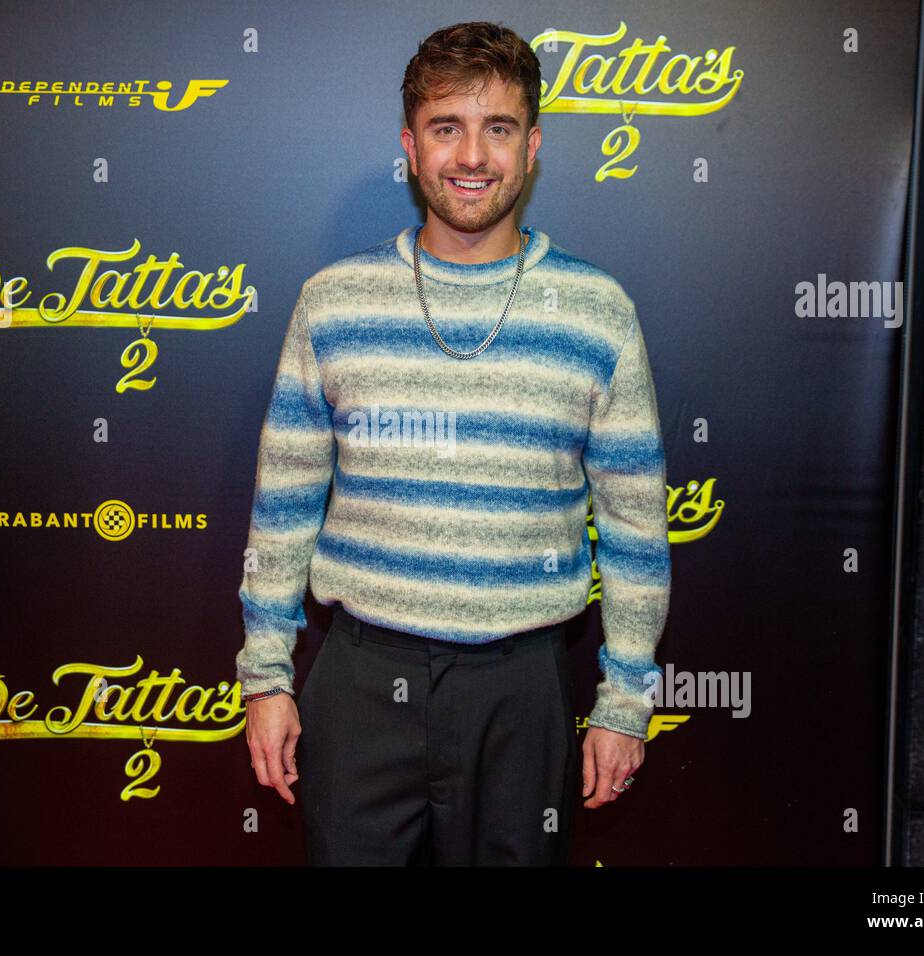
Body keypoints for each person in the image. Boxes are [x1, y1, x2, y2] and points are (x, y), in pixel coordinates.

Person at [235, 21, 671, 866]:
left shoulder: (596, 311)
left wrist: (624, 703)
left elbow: (635, 530)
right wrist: (265, 674)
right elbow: (283, 503)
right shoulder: (334, 304)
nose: (472, 156)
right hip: (358, 683)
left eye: (498, 128)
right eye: (447, 128)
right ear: (410, 145)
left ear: (533, 145)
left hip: (524, 693)